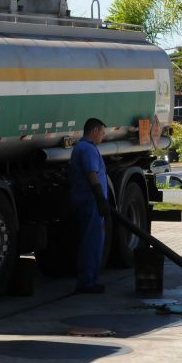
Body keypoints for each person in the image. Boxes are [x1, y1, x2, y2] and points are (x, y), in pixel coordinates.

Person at [69, 118, 110, 293]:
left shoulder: (83, 147)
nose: (103, 136)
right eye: (102, 132)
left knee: (91, 240)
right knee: (92, 242)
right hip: (90, 201)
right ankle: (87, 282)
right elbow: (92, 174)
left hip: (87, 200)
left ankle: (89, 279)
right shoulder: (87, 149)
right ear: (94, 131)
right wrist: (100, 198)